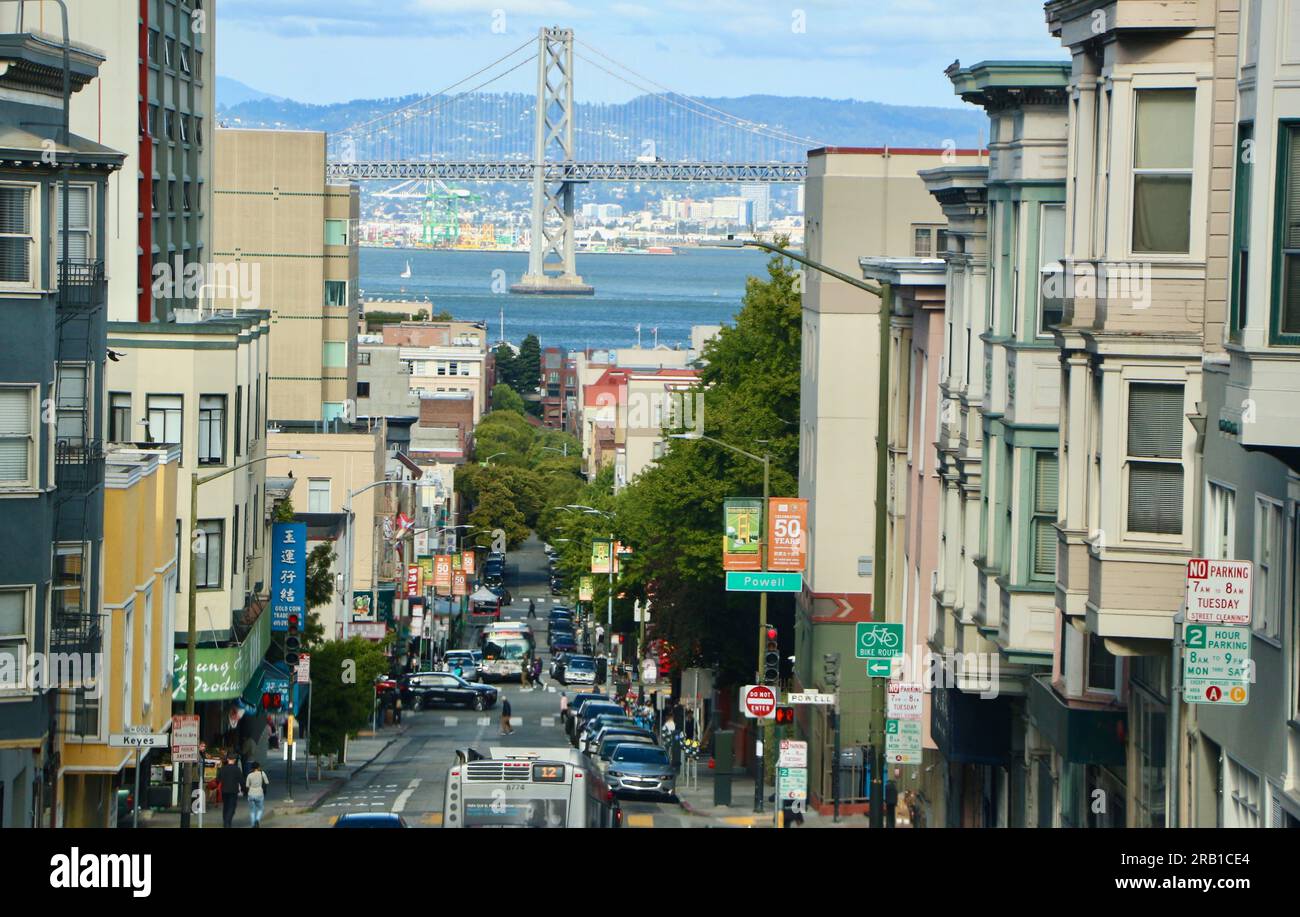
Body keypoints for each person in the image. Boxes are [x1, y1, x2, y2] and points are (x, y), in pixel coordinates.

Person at [218, 753, 245, 828]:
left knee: (226, 806)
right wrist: (244, 789)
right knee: (232, 807)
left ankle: (226, 822)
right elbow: (241, 780)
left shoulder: (223, 768)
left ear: (227, 759)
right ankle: (227, 822)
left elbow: (218, 779)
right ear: (235, 760)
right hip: (233, 790)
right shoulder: (237, 769)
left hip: (224, 790)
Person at [245, 762, 269, 828]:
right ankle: (257, 820)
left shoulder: (249, 775)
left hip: (251, 794)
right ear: (258, 767)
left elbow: (247, 785)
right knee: (260, 808)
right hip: (259, 793)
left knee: (252, 810)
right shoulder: (262, 773)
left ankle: (253, 825)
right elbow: (267, 782)